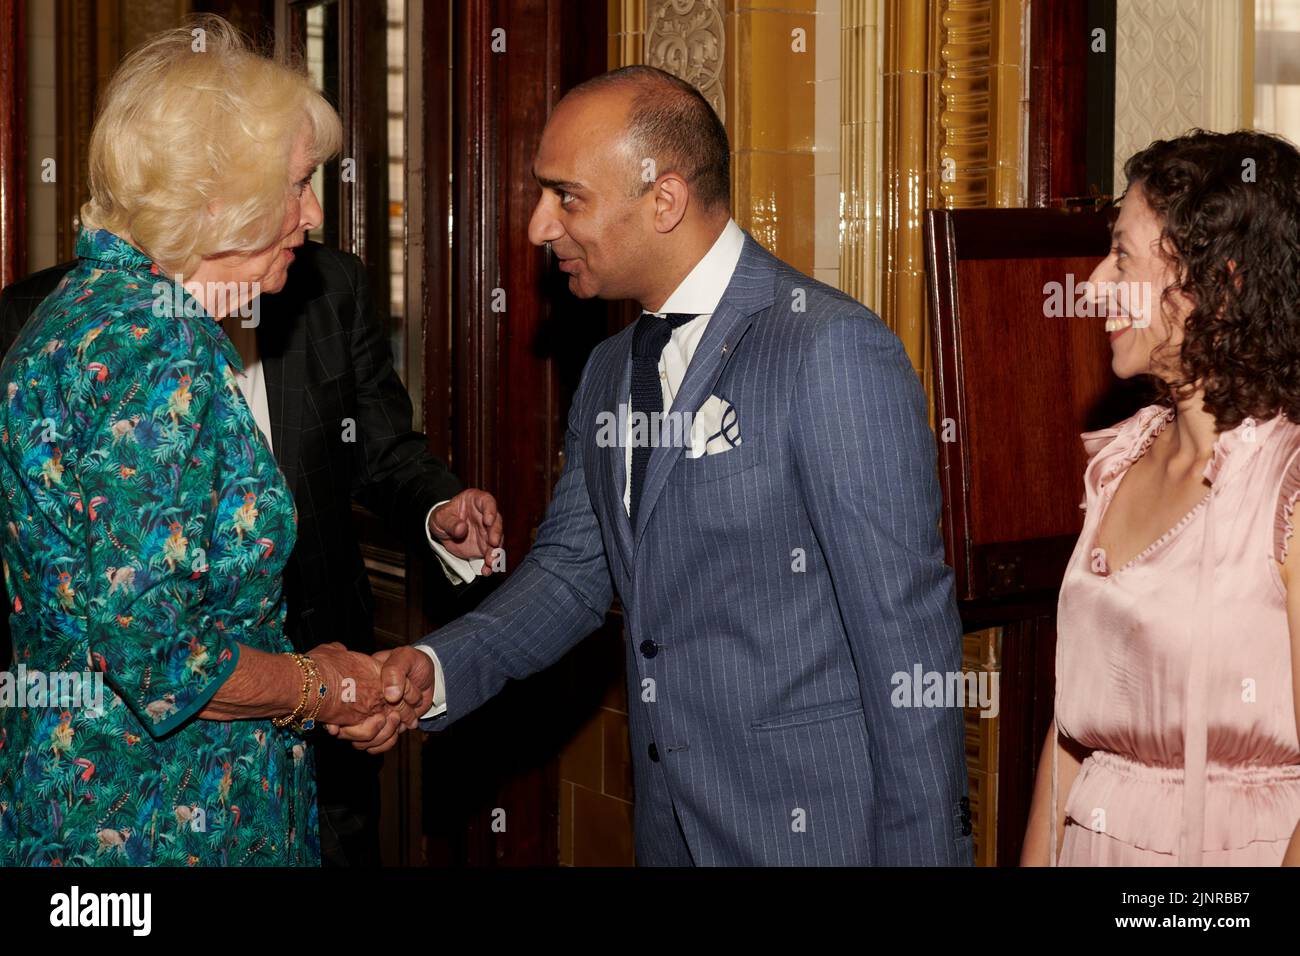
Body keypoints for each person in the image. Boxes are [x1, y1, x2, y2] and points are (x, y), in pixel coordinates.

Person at [343, 65, 972, 866]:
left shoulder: (829, 350)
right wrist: (431, 668)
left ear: (664, 200)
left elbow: (908, 645)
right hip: (670, 834)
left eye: (566, 197)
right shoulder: (610, 367)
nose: (539, 225)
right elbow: (574, 572)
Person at [0, 18, 495, 866]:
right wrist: (326, 685)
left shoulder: (101, 312)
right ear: (218, 195)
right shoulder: (151, 349)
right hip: (155, 821)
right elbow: (161, 659)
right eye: (298, 182)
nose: (311, 213)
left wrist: (316, 676)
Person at [1022, 129, 1300, 866]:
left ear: (1222, 282)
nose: (1093, 284)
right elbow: (1073, 731)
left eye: (1123, 255)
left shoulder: (1289, 488)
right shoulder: (1117, 461)